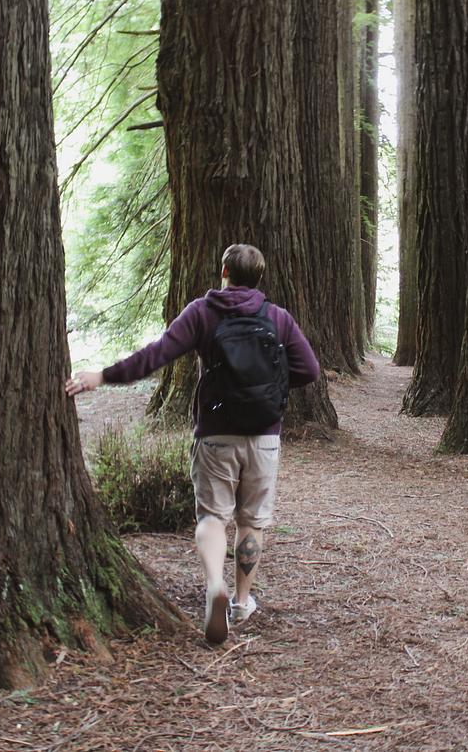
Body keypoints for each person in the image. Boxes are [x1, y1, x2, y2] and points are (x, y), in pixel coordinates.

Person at [66, 244, 320, 644]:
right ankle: (241, 601)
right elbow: (309, 369)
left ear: (224, 271)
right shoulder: (278, 318)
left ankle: (214, 588)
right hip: (264, 437)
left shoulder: (202, 312)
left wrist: (103, 375)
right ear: (259, 278)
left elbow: (157, 354)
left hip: (216, 433)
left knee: (212, 519)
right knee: (251, 521)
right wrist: (269, 388)